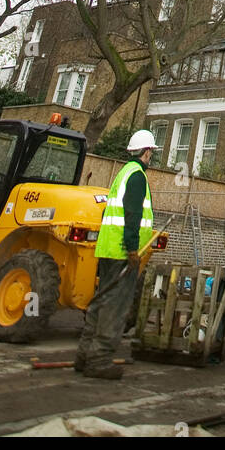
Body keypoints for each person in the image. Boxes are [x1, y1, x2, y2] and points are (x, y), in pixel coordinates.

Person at [75, 128, 157, 380]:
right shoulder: (136, 177)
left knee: (101, 302)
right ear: (145, 152)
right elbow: (132, 215)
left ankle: (84, 355)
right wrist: (132, 249)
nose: (152, 156)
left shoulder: (122, 173)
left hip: (109, 249)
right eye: (151, 152)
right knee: (115, 307)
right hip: (123, 251)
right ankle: (99, 360)